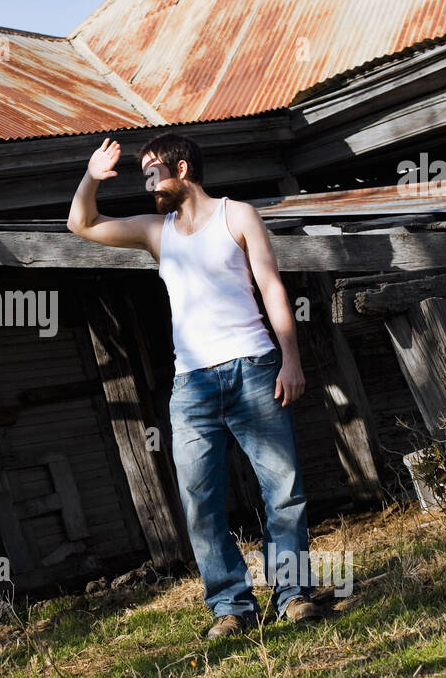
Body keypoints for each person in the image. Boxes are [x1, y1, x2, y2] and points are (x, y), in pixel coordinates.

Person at [66, 133, 327, 637]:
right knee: (200, 501)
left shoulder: (238, 215)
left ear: (182, 169)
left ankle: (293, 596)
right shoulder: (155, 232)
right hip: (192, 388)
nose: (149, 186)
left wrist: (289, 359)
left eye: (153, 174)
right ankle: (231, 607)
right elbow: (81, 223)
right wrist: (91, 177)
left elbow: (272, 286)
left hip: (254, 367)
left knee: (284, 492)